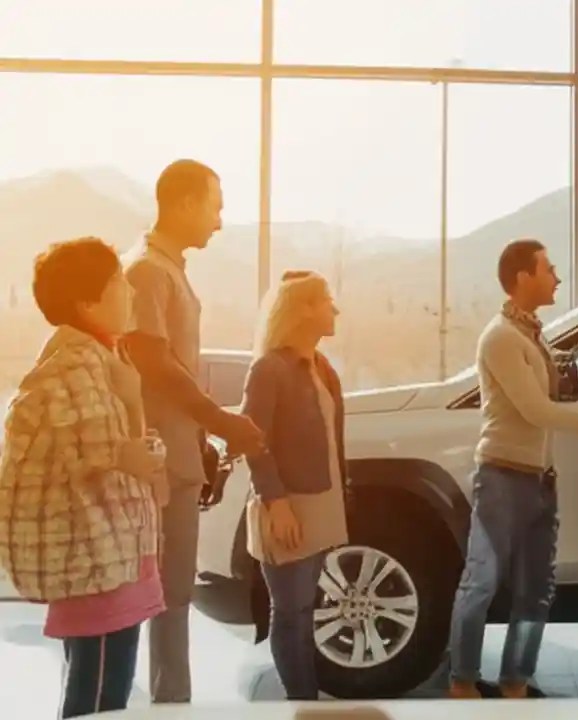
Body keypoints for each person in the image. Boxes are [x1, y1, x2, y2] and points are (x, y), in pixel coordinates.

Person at [447, 238, 578, 700]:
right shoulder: (500, 338)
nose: (556, 276)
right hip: (502, 479)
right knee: (482, 582)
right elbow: (536, 410)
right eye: (549, 269)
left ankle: (515, 682)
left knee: (536, 590)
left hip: (538, 480)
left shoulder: (532, 336)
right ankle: (462, 683)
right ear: (522, 278)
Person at [0, 238, 168, 717]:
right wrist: (138, 412)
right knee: (96, 700)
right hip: (94, 562)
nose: (130, 292)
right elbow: (120, 455)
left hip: (110, 557)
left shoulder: (100, 359)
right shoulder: (74, 367)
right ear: (86, 302)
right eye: (118, 283)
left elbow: (125, 452)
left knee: (101, 691)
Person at [121, 159, 265, 704]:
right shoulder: (146, 272)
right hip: (158, 464)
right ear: (183, 203)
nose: (220, 221)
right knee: (161, 595)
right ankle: (166, 706)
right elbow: (156, 364)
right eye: (215, 206)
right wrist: (220, 420)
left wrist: (201, 440)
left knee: (168, 594)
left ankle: (166, 702)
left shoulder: (165, 269)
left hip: (176, 456)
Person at [240, 271, 348, 701]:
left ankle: (306, 699)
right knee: (290, 614)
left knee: (306, 611)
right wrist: (276, 502)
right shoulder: (269, 369)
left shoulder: (323, 368)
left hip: (321, 505)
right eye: (326, 300)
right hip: (288, 506)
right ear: (303, 309)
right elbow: (253, 441)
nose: (334, 309)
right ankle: (301, 703)